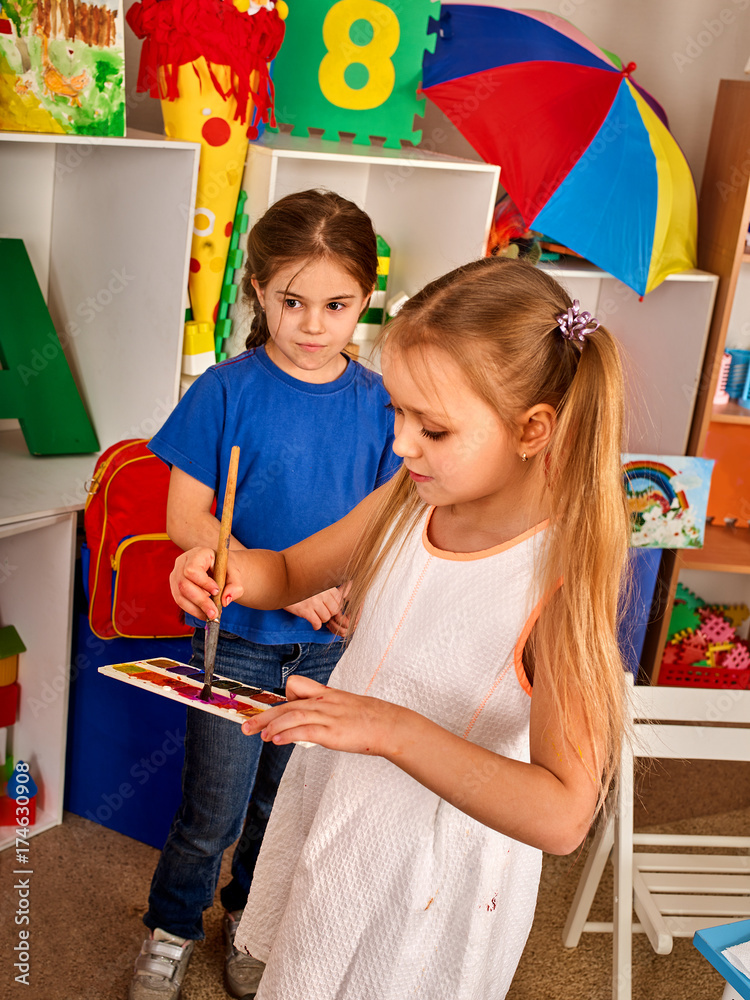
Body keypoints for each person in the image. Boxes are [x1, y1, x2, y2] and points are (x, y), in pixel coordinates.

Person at [170, 256, 632, 1000]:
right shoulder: (410, 500)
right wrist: (223, 570)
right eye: (396, 413)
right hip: (343, 812)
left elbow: (563, 814)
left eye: (434, 427)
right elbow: (289, 572)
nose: (402, 443)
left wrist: (394, 730)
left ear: (533, 429)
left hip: (431, 877)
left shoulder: (559, 582)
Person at [129, 189, 401, 1000]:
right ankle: (172, 929)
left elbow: (391, 523)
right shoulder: (226, 389)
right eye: (292, 302)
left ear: (365, 301)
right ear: (257, 291)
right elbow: (187, 515)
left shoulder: (385, 403)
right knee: (212, 808)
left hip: (331, 646)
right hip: (241, 635)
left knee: (283, 810)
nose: (313, 324)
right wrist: (290, 581)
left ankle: (252, 925)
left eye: (337, 305)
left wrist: (346, 586)